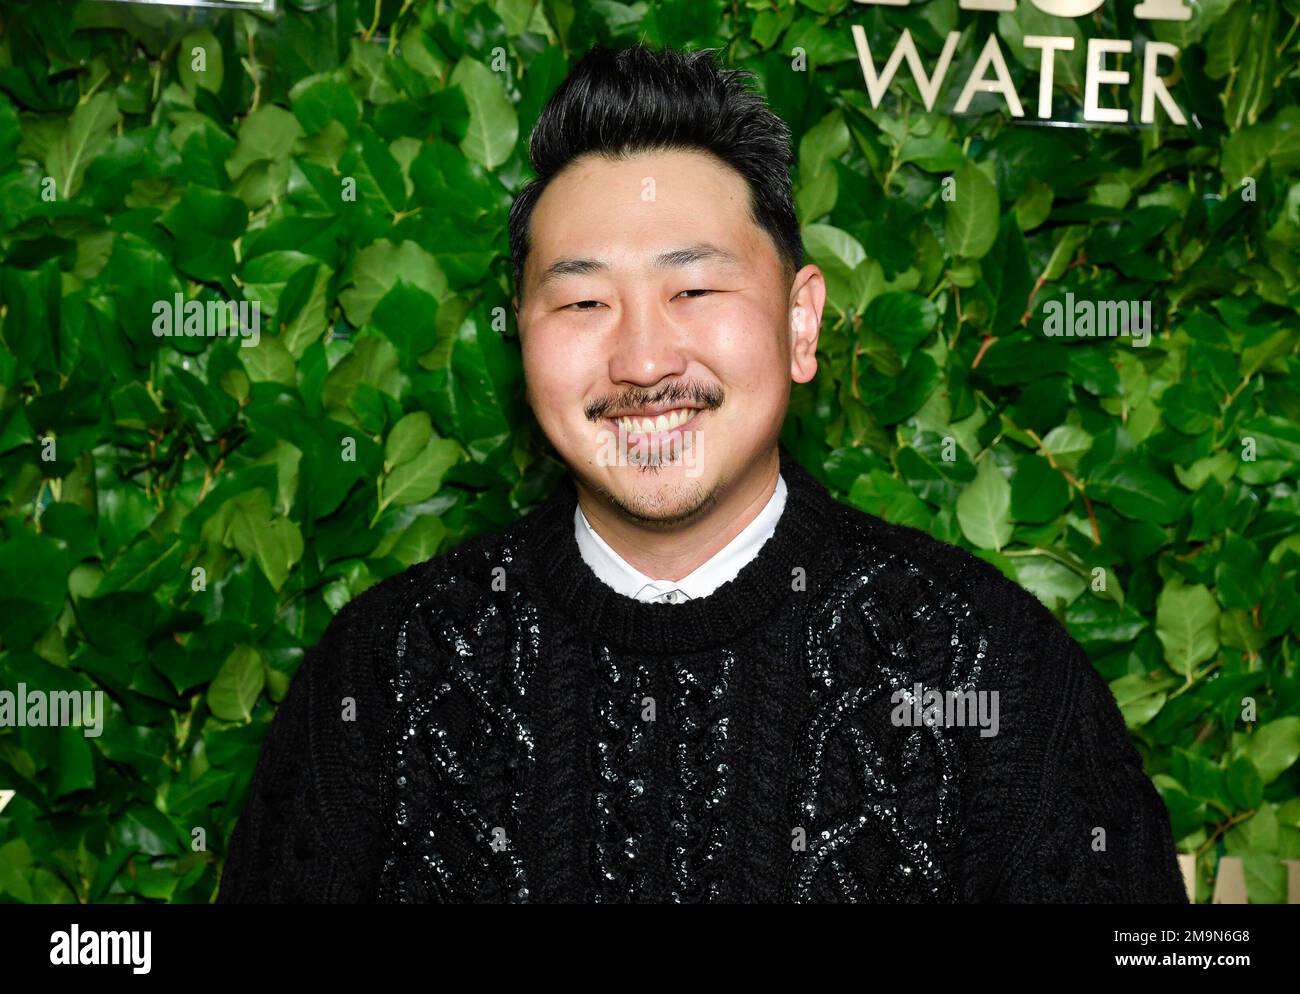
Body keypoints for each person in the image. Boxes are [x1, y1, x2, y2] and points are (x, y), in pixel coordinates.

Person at [217, 43, 1188, 904]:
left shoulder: (990, 670)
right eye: (585, 300)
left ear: (801, 323)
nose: (643, 360)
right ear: (522, 343)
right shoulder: (387, 672)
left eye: (692, 287)